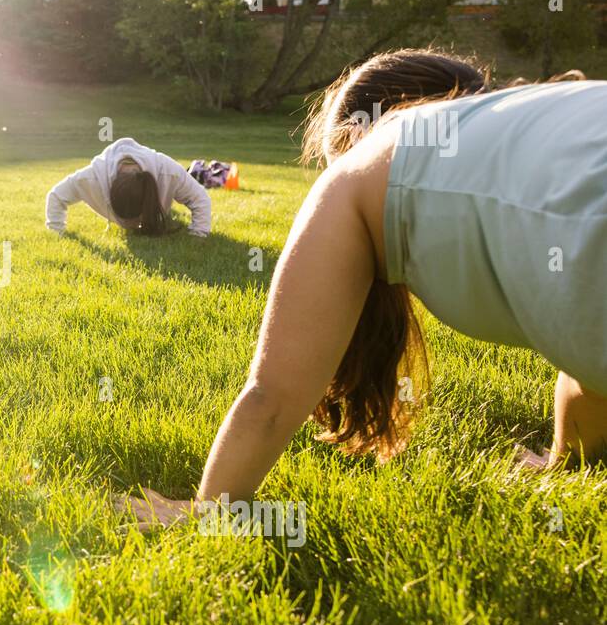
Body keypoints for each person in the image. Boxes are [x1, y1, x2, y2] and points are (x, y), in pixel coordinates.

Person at [118, 49, 607, 527]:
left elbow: (273, 396)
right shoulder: (543, 117)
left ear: (353, 134)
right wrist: (564, 464)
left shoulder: (362, 169)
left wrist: (209, 511)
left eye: (333, 160)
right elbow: (584, 340)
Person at [45, 137, 212, 237]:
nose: (134, 224)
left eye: (137, 217)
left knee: (165, 218)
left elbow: (200, 198)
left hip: (158, 195)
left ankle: (160, 210)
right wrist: (56, 231)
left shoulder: (168, 172)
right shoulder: (91, 178)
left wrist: (198, 235)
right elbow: (56, 196)